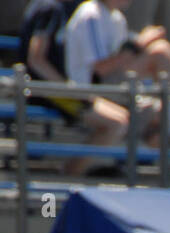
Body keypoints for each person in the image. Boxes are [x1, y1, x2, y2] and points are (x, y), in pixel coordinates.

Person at [63, 0, 170, 148]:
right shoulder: (91, 14)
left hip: (114, 88)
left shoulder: (117, 18)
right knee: (160, 52)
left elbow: (120, 65)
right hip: (91, 91)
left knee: (162, 124)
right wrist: (140, 43)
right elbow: (100, 69)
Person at [18, 0, 129, 175]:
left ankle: (78, 170)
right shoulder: (50, 8)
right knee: (116, 123)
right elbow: (36, 58)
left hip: (63, 90)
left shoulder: (68, 7)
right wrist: (66, 88)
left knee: (123, 117)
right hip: (45, 90)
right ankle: (71, 174)